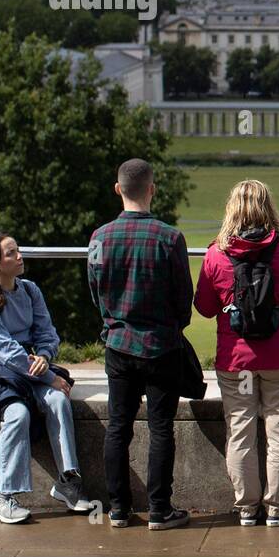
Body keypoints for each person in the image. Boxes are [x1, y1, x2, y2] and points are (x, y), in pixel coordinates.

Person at [194, 180, 279, 527]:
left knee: (241, 429)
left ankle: (247, 507)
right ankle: (276, 508)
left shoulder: (216, 253)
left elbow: (203, 306)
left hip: (238, 362)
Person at [87, 158, 193, 530]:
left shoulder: (99, 237)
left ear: (119, 189)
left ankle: (117, 508)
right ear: (152, 189)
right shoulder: (170, 238)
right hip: (162, 345)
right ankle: (159, 509)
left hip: (118, 344)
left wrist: (115, 322)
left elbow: (96, 291)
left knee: (119, 426)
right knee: (161, 427)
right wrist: (172, 325)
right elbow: (184, 298)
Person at [0, 232, 94, 524]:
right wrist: (48, 375)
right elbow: (4, 350)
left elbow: (47, 334)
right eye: (11, 253)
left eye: (18, 251)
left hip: (28, 367)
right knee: (17, 414)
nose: (20, 256)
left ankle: (68, 483)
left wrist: (45, 357)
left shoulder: (30, 290)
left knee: (59, 401)